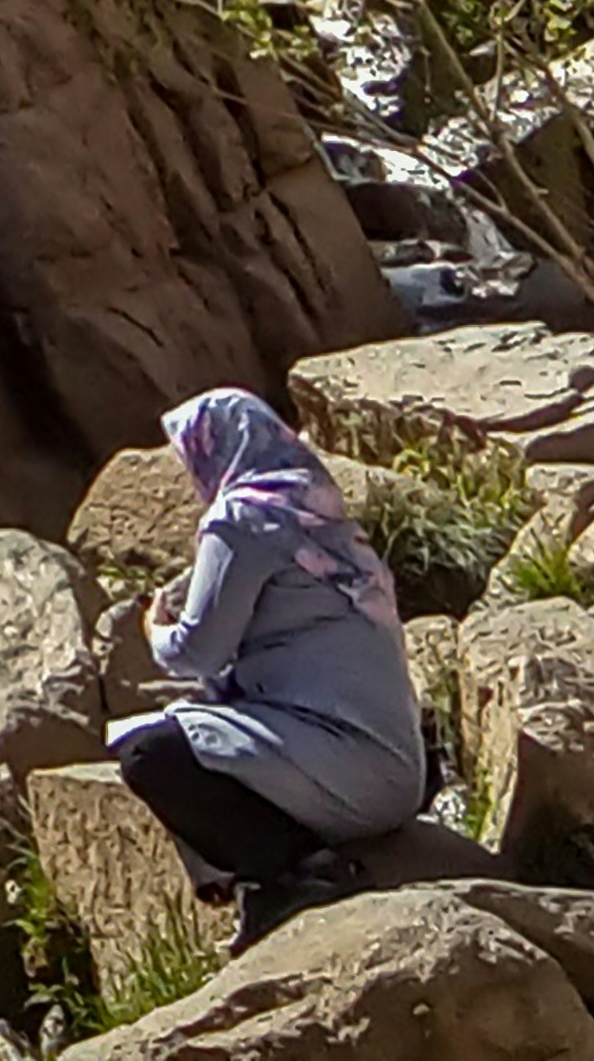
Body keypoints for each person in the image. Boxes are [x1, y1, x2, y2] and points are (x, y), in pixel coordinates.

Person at [109, 387, 424, 942]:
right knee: (198, 722)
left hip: (351, 774)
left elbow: (196, 653)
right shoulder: (319, 509)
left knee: (149, 753)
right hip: (399, 772)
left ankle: (290, 876)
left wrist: (154, 631)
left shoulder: (241, 520)